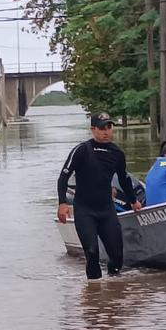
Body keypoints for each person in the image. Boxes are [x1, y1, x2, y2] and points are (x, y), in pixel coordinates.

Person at [57, 113, 141, 280]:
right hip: (85, 210)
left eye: (109, 127)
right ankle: (93, 292)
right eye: (102, 128)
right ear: (93, 129)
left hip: (106, 210)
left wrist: (133, 201)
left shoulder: (117, 153)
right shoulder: (82, 150)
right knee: (92, 251)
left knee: (117, 256)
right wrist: (62, 203)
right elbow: (64, 177)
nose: (106, 131)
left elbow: (124, 180)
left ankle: (113, 291)